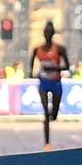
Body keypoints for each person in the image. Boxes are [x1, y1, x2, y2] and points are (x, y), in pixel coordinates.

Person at [29, 22, 70, 151]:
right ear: (43, 34)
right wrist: (32, 73)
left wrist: (54, 67)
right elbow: (31, 63)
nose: (47, 34)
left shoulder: (59, 49)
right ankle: (47, 142)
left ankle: (53, 115)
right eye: (45, 32)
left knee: (54, 114)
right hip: (44, 82)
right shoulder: (37, 49)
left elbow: (67, 66)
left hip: (56, 82)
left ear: (52, 34)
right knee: (46, 113)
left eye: (50, 32)